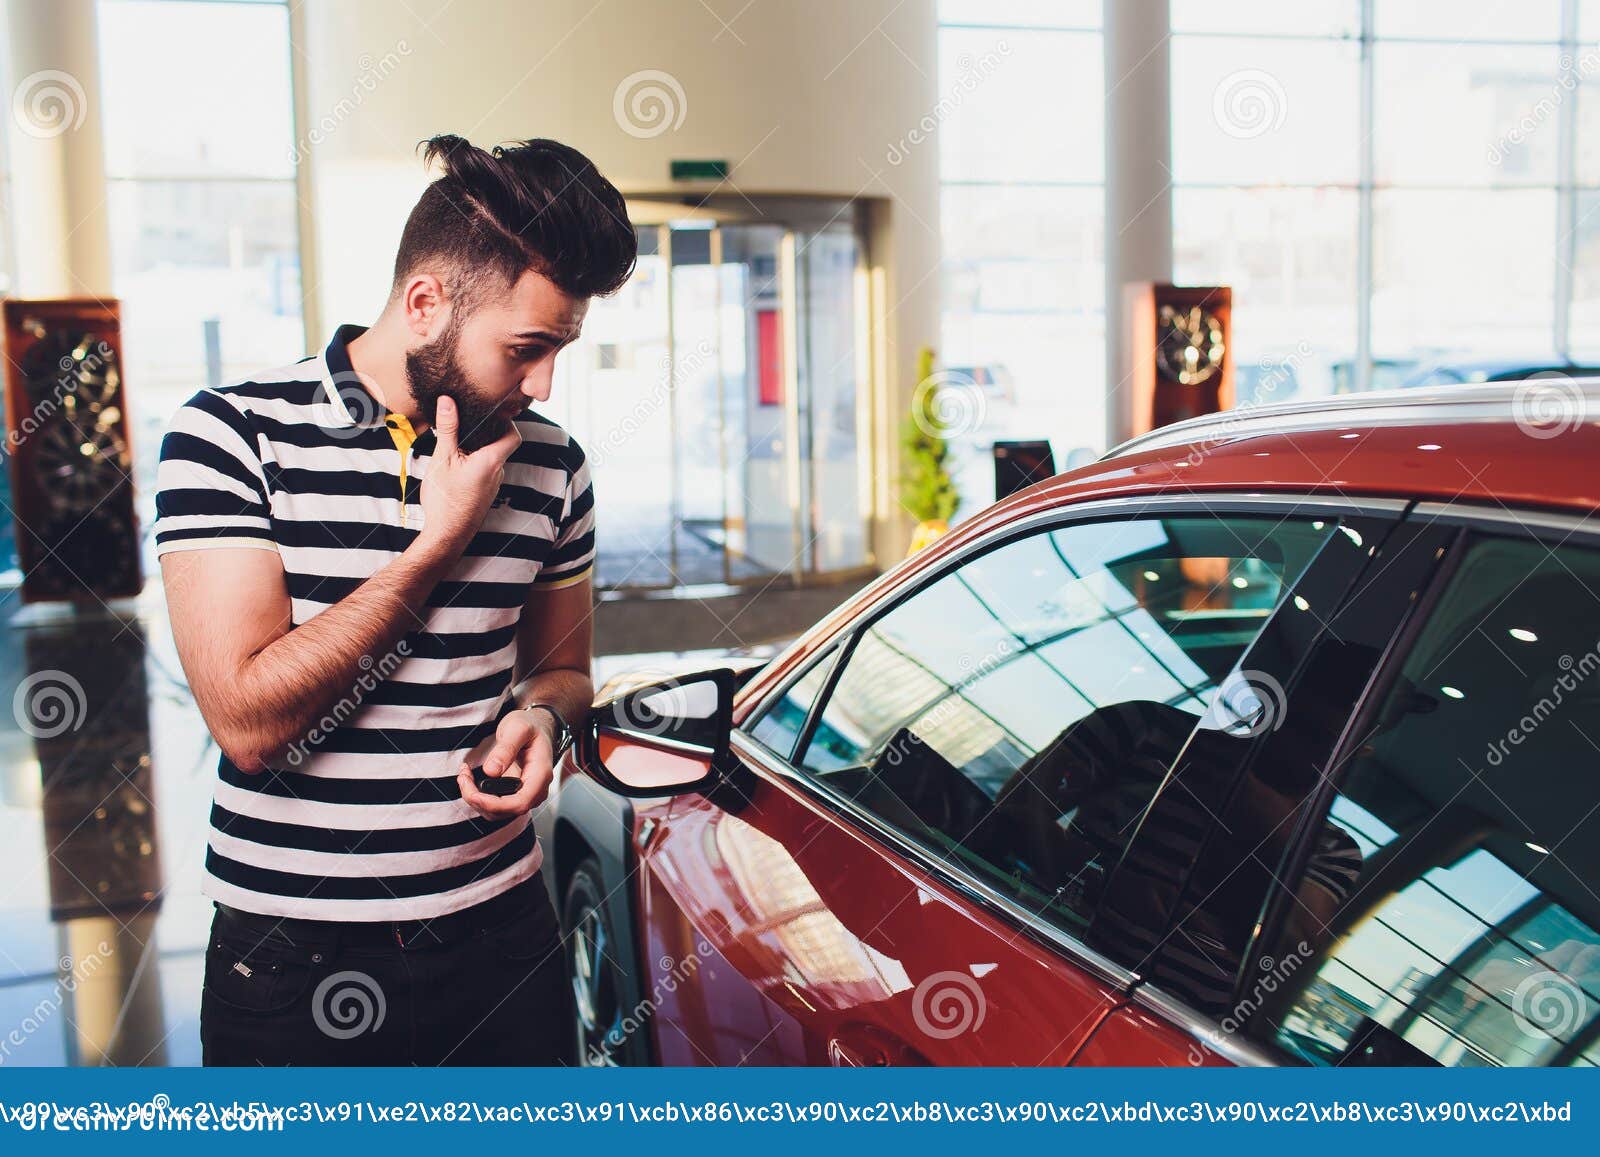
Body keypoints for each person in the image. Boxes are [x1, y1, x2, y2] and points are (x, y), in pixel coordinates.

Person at [153, 134, 637, 1065]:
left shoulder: (554, 462)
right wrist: (437, 544)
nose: (541, 384)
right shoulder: (231, 436)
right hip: (293, 956)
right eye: (525, 348)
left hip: (502, 934)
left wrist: (540, 718)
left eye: (559, 350)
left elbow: (565, 669)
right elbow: (249, 722)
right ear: (425, 303)